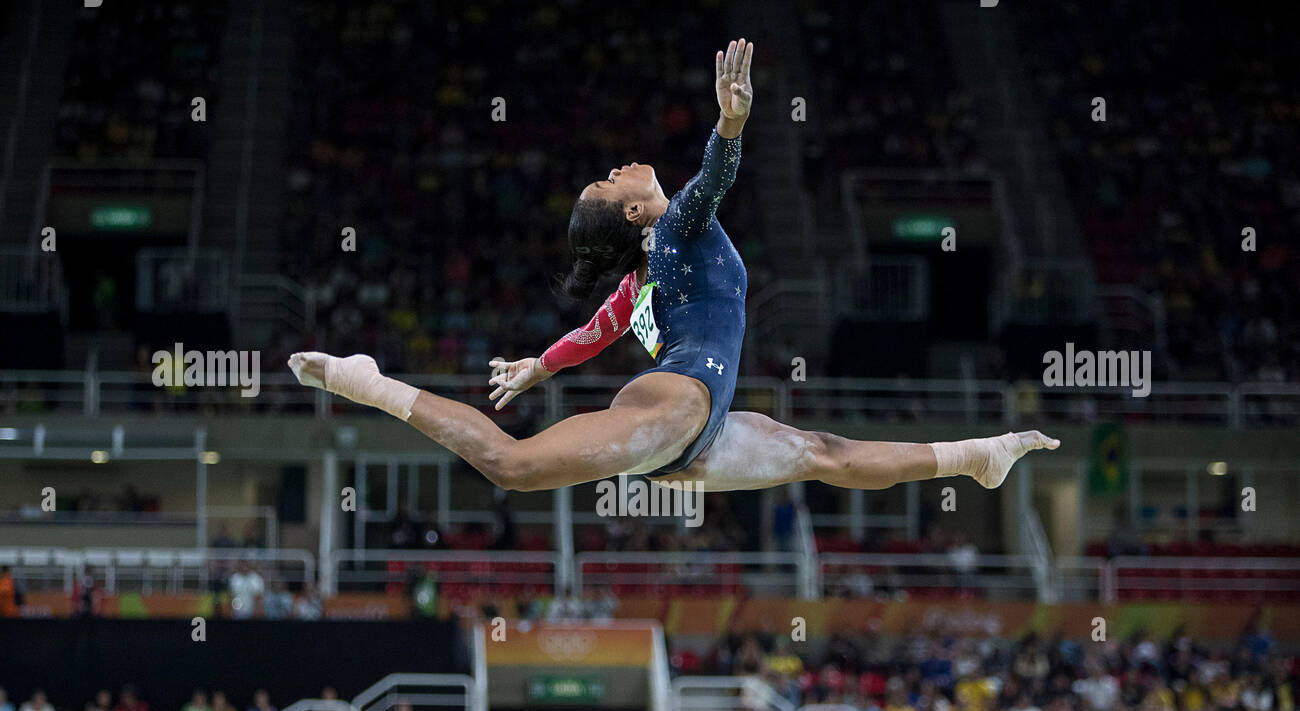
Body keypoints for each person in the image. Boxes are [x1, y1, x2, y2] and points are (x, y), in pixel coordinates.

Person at [289, 40, 1056, 499]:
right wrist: (729, 122)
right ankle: (366, 379)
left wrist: (540, 366)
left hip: (701, 433)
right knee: (510, 464)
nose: (618, 168)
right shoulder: (677, 230)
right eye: (609, 181)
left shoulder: (645, 279)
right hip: (680, 410)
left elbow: (596, 330)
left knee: (828, 455)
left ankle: (976, 457)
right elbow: (714, 180)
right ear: (633, 212)